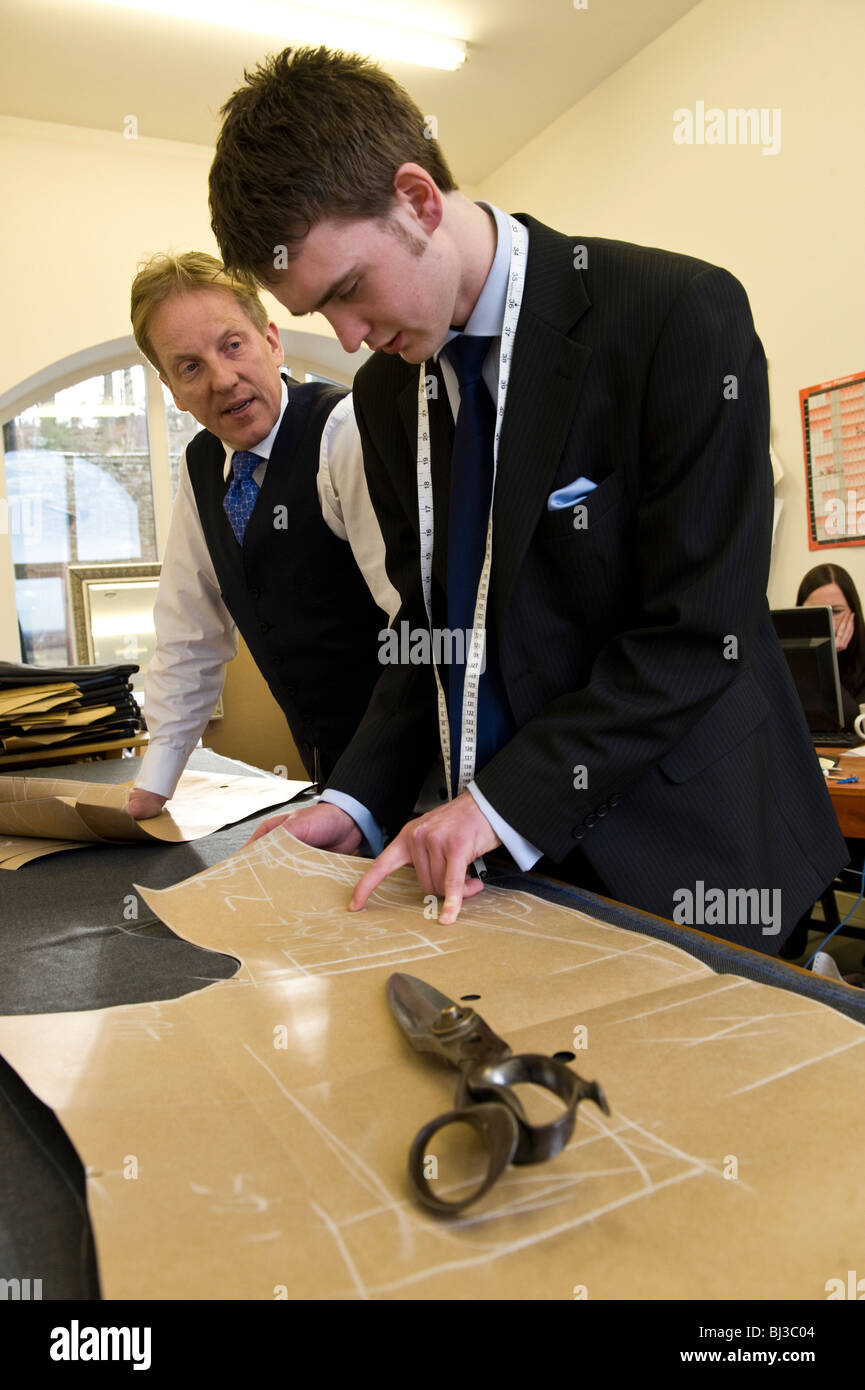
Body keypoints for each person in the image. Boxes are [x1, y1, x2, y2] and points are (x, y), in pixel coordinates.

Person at [206, 47, 846, 951]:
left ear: (418, 201)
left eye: (349, 290)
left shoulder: (675, 317)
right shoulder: (392, 396)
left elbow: (698, 635)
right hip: (512, 876)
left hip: (697, 861)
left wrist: (501, 804)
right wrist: (357, 799)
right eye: (320, 313)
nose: (348, 338)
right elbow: (427, 630)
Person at [127, 251, 397, 819]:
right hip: (331, 774)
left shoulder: (343, 429)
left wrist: (367, 791)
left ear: (272, 341)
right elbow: (189, 633)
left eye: (232, 345)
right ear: (172, 389)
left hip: (426, 774)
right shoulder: (201, 466)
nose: (223, 380)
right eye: (190, 367)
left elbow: (415, 622)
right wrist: (155, 782)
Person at [797, 563, 865, 727]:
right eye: (816, 611)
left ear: (853, 611)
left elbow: (852, 723)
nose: (827, 622)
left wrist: (826, 658)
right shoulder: (792, 657)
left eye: (835, 611)